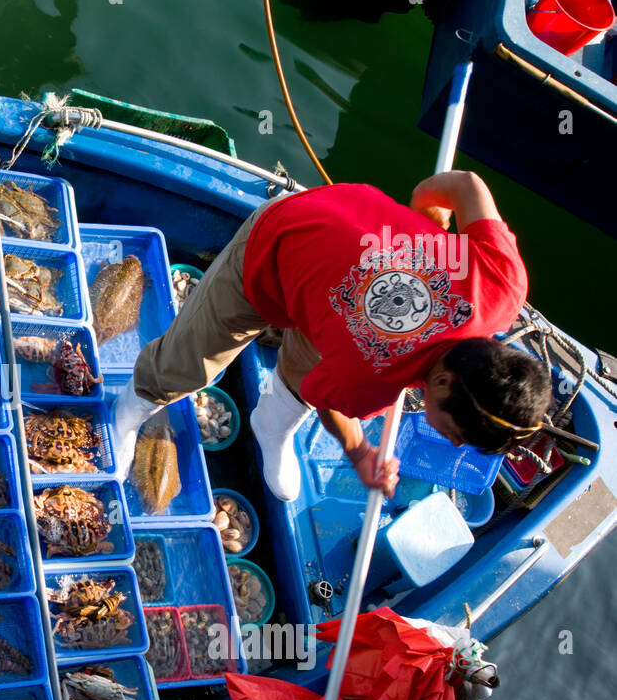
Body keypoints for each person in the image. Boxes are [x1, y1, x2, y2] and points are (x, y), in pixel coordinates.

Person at [112, 171, 552, 502]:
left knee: (318, 358)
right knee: (193, 360)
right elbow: (326, 401)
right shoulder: (370, 379)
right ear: (443, 382)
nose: (453, 442)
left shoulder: (505, 282)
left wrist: (425, 213)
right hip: (276, 245)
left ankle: (271, 427)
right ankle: (133, 403)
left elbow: (466, 185)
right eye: (456, 433)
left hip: (338, 262)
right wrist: (361, 453)